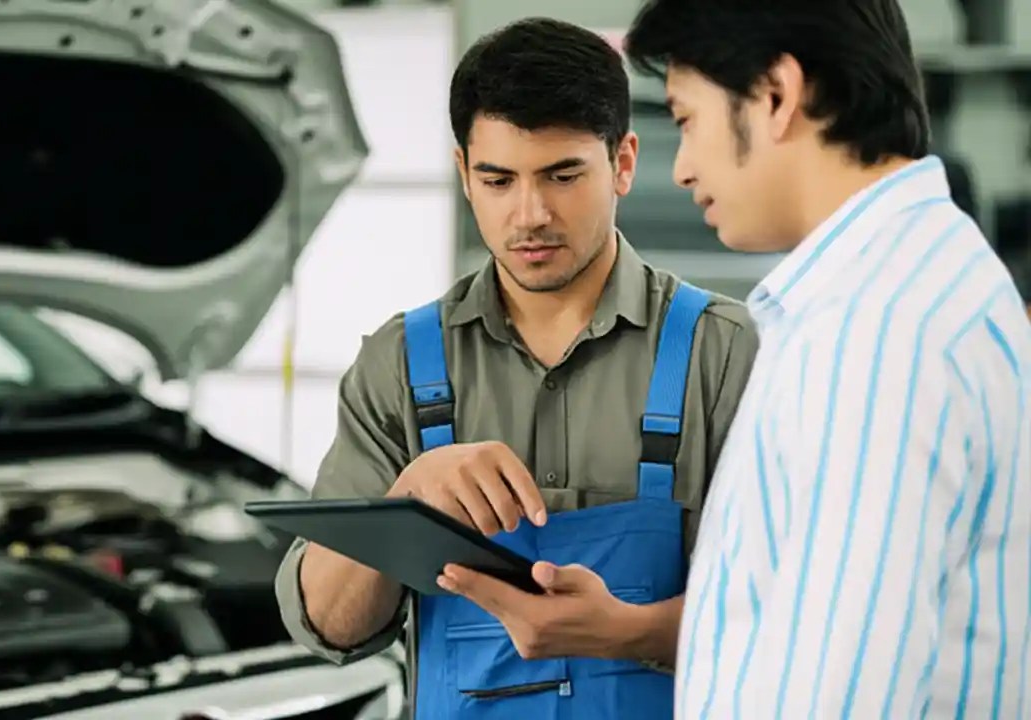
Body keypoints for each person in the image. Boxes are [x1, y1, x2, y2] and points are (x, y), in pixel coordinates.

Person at [273, 16, 759, 720]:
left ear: (623, 162)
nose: (529, 214)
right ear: (464, 173)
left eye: (562, 176)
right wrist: (404, 503)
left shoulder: (727, 355)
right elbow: (328, 625)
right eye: (498, 179)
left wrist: (630, 632)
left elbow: (791, 619)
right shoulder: (399, 364)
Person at [624, 1, 1031, 717]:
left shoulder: (872, 334)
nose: (683, 167)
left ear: (777, 95)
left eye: (687, 120)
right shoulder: (922, 282)